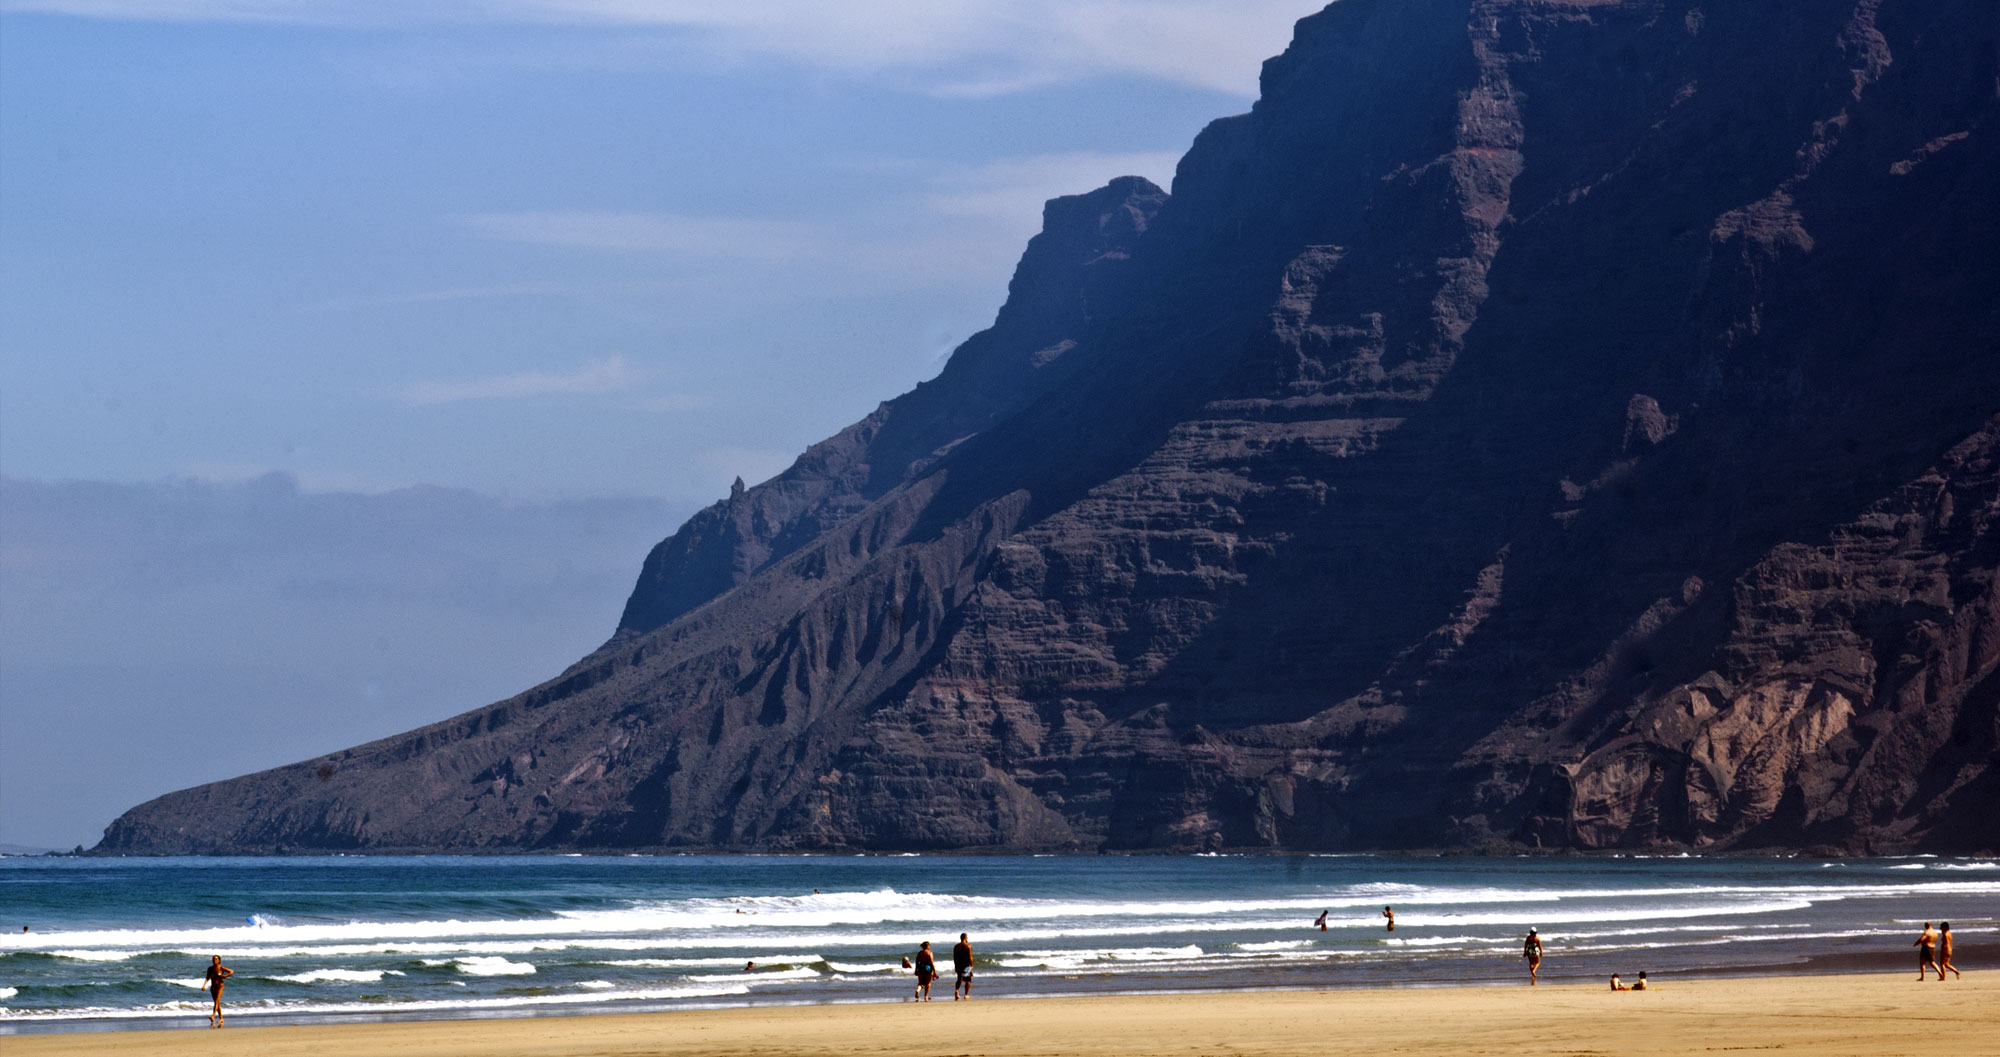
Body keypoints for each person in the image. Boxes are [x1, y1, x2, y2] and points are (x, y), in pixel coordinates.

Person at [203, 954, 234, 1027]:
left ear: (219, 960)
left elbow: (231, 971)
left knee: (216, 1001)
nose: (214, 960)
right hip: (213, 987)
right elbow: (207, 977)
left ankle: (213, 1016)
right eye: (213, 959)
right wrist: (204, 985)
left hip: (220, 986)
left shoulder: (221, 967)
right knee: (217, 1003)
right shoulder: (210, 968)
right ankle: (221, 1018)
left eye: (216, 959)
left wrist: (224, 976)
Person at [952, 933, 975, 1000]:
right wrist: (971, 965)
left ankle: (957, 990)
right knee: (968, 980)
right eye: (967, 938)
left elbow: (954, 957)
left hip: (959, 964)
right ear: (965, 938)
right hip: (966, 965)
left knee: (959, 979)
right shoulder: (968, 946)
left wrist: (955, 965)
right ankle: (966, 994)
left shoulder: (956, 946)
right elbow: (970, 957)